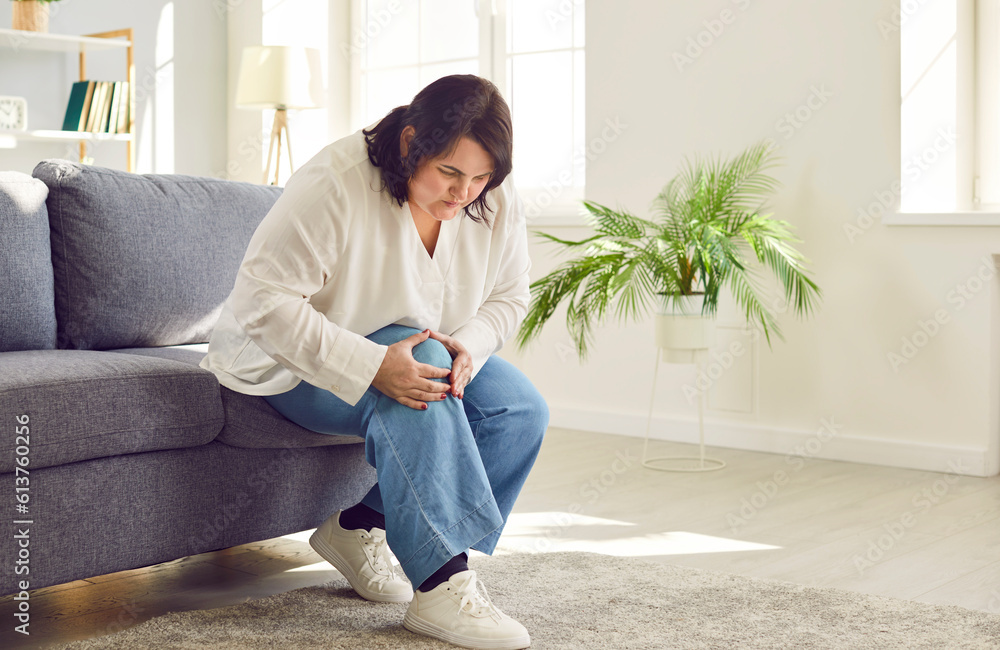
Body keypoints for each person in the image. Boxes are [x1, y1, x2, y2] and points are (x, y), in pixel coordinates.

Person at [199, 74, 548, 650]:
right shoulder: (335, 181)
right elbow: (264, 301)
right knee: (420, 376)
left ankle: (361, 527)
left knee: (517, 409)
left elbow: (511, 295)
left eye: (481, 177)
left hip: (418, 348)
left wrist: (474, 344)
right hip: (288, 361)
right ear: (411, 143)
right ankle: (440, 586)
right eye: (449, 173)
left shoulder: (488, 193)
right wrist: (368, 365)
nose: (465, 192)